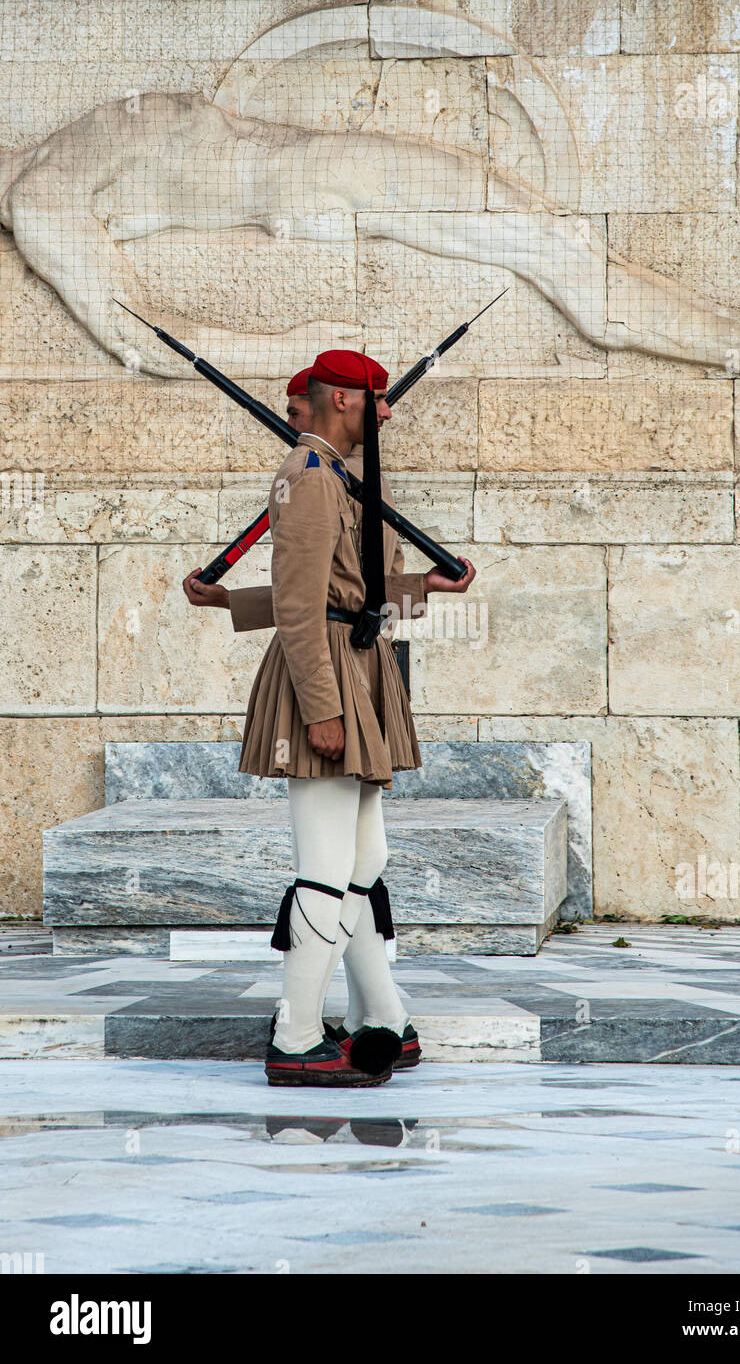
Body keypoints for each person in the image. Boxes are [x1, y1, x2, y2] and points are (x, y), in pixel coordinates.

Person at [185, 354, 476, 1086]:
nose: (387, 414)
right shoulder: (311, 479)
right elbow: (298, 604)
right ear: (345, 401)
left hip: (358, 666)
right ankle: (297, 1035)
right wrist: (321, 709)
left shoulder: (340, 478)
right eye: (377, 403)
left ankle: (383, 1017)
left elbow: (351, 593)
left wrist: (422, 587)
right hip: (326, 680)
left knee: (363, 862)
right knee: (325, 867)